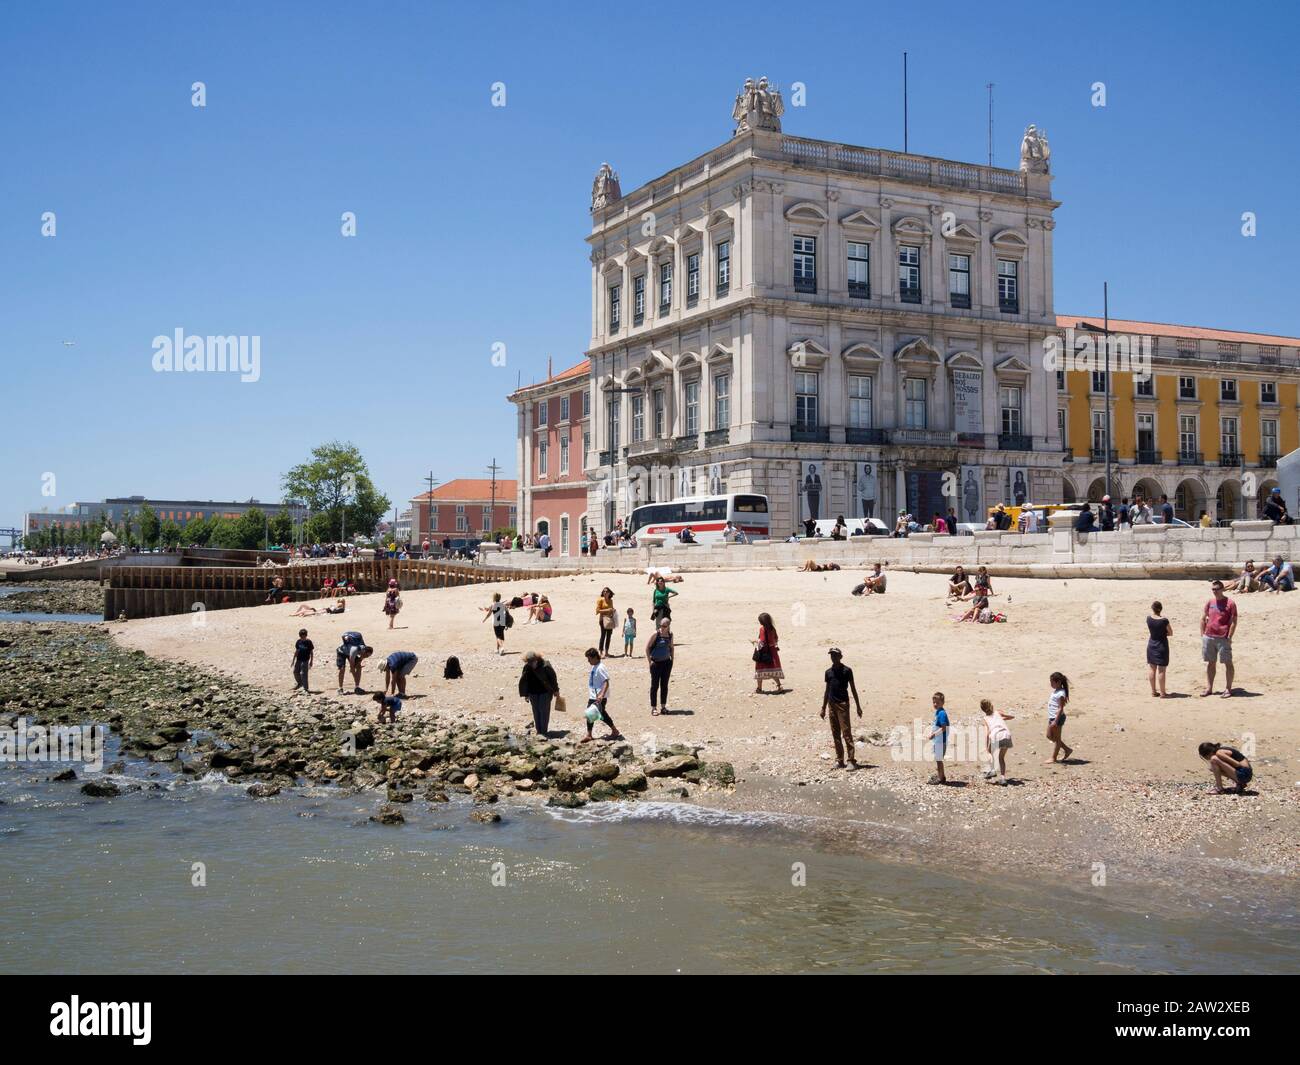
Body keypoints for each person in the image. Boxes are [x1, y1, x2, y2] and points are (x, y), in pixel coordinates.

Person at [820, 648, 862, 769]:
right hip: (831, 705)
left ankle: (851, 760)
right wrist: (823, 707)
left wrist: (858, 706)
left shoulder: (847, 671)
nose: (833, 658)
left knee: (846, 732)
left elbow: (853, 689)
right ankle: (839, 760)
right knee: (835, 733)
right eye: (832, 656)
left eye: (835, 655)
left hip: (843, 704)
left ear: (840, 657)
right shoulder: (828, 672)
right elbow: (827, 690)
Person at [1200, 579, 1237, 698]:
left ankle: (1228, 689)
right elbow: (1202, 618)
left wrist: (1230, 636)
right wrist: (1203, 635)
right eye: (1213, 589)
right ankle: (1209, 688)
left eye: (1216, 589)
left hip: (1223, 638)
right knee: (1211, 663)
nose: (1214, 591)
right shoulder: (1210, 602)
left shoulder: (1230, 603)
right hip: (1209, 636)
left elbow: (1234, 622)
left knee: (1227, 663)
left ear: (1222, 589)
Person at [582, 648, 622, 742]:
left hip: (599, 697)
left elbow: (606, 682)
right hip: (594, 695)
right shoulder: (594, 666)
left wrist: (601, 695)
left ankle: (613, 731)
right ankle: (590, 734)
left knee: (594, 714)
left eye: (589, 659)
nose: (588, 661)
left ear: (595, 657)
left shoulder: (601, 667)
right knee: (594, 714)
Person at [518, 651, 559, 739]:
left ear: (536, 659)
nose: (531, 664)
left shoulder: (545, 665)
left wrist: (556, 690)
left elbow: (553, 678)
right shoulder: (527, 667)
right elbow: (525, 681)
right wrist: (526, 694)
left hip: (545, 692)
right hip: (533, 693)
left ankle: (544, 732)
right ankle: (539, 731)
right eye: (529, 662)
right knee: (536, 711)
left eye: (532, 662)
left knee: (543, 711)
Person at [979, 699, 1015, 785]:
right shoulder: (997, 712)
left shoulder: (985, 719)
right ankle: (1003, 778)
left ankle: (992, 770)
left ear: (983, 710)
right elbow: (1012, 717)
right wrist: (1002, 718)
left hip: (996, 736)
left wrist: (986, 746)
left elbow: (987, 734)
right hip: (1006, 735)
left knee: (990, 753)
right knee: (1001, 758)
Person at [646, 616, 674, 715]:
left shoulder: (670, 635)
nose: (662, 627)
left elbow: (671, 647)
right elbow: (647, 648)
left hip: (666, 663)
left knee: (664, 685)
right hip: (656, 663)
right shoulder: (656, 634)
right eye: (661, 625)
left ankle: (663, 706)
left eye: (664, 626)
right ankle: (653, 708)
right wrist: (650, 662)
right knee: (654, 686)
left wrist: (672, 660)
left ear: (668, 626)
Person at [752, 612, 785, 694]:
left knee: (759, 670)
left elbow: (762, 641)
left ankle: (759, 689)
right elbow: (776, 639)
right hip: (773, 652)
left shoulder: (762, 629)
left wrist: (755, 642)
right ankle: (779, 686)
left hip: (764, 652)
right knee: (773, 670)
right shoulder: (773, 628)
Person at [1045, 671, 1073, 764]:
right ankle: (1067, 749)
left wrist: (1055, 721)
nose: (1051, 684)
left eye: (1052, 682)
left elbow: (1061, 708)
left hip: (1057, 718)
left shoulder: (1061, 693)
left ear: (1058, 682)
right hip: (1052, 717)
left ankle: (1053, 758)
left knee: (1057, 739)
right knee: (1049, 736)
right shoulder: (1056, 691)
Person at [1146, 600, 1172, 697]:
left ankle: (1153, 691)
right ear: (1160, 609)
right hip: (1162, 645)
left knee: (1152, 668)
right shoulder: (1164, 620)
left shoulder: (1148, 618)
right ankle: (1162, 692)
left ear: (1152, 608)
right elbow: (1170, 633)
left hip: (1151, 644)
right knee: (1162, 670)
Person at [927, 692, 950, 785]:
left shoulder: (942, 714)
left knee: (939, 760)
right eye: (934, 702)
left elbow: (944, 728)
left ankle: (942, 778)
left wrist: (934, 735)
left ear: (943, 702)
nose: (935, 704)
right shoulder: (938, 712)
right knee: (938, 759)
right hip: (938, 741)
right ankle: (941, 776)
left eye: (937, 702)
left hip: (941, 741)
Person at [595, 586, 617, 656]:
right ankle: (601, 652)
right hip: (602, 620)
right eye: (604, 591)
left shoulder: (611, 600)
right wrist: (608, 610)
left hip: (609, 620)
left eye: (606, 591)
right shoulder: (600, 600)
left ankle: (607, 652)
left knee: (609, 636)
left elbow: (611, 609)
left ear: (609, 593)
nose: (605, 592)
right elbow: (597, 611)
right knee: (603, 635)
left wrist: (613, 610)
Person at [292, 628, 314, 693]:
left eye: (304, 636)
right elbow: (297, 651)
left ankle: (306, 688)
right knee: (295, 672)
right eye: (301, 636)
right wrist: (293, 660)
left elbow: (311, 652)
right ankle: (300, 683)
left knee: (304, 674)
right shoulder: (298, 642)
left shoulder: (309, 642)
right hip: (298, 659)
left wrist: (311, 661)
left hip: (305, 660)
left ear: (306, 635)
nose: (303, 637)